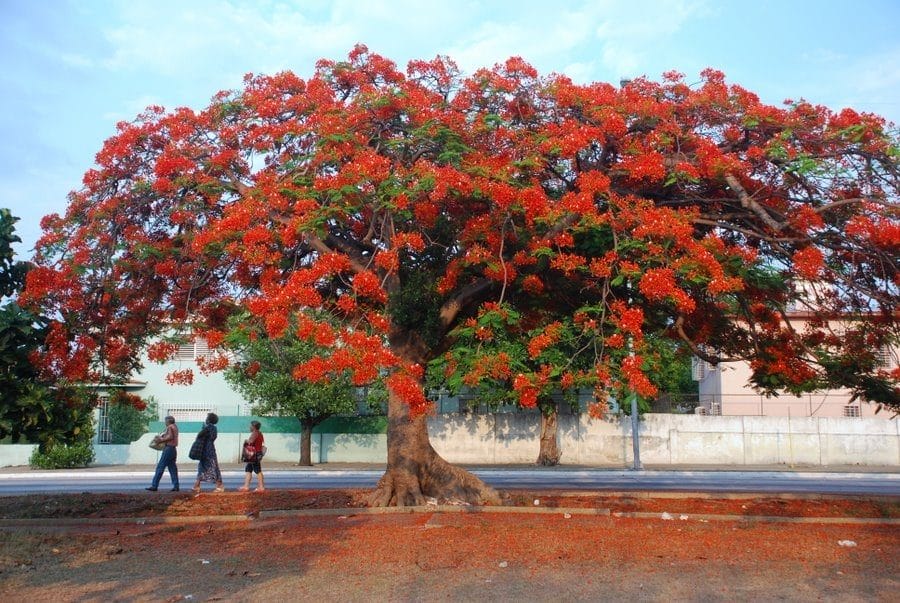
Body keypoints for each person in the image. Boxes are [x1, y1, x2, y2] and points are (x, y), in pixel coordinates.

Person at [192, 412, 224, 493]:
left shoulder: (209, 427)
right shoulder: (214, 428)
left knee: (212, 467)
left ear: (209, 420)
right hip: (209, 449)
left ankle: (220, 485)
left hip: (207, 450)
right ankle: (197, 485)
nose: (205, 419)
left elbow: (199, 435)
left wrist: (203, 428)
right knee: (203, 467)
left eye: (207, 418)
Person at [146, 416, 179, 492]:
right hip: (173, 449)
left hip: (168, 449)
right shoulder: (175, 427)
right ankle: (176, 486)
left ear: (168, 421)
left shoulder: (170, 427)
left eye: (165, 421)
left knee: (160, 467)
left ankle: (154, 485)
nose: (165, 423)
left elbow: (170, 436)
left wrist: (161, 440)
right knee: (172, 468)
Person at [239, 420, 266, 492]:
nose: (249, 427)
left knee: (258, 470)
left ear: (254, 427)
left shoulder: (255, 433)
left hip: (254, 455)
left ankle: (261, 487)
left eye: (250, 426)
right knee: (248, 470)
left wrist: (246, 440)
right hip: (256, 454)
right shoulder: (260, 433)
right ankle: (246, 486)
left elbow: (250, 442)